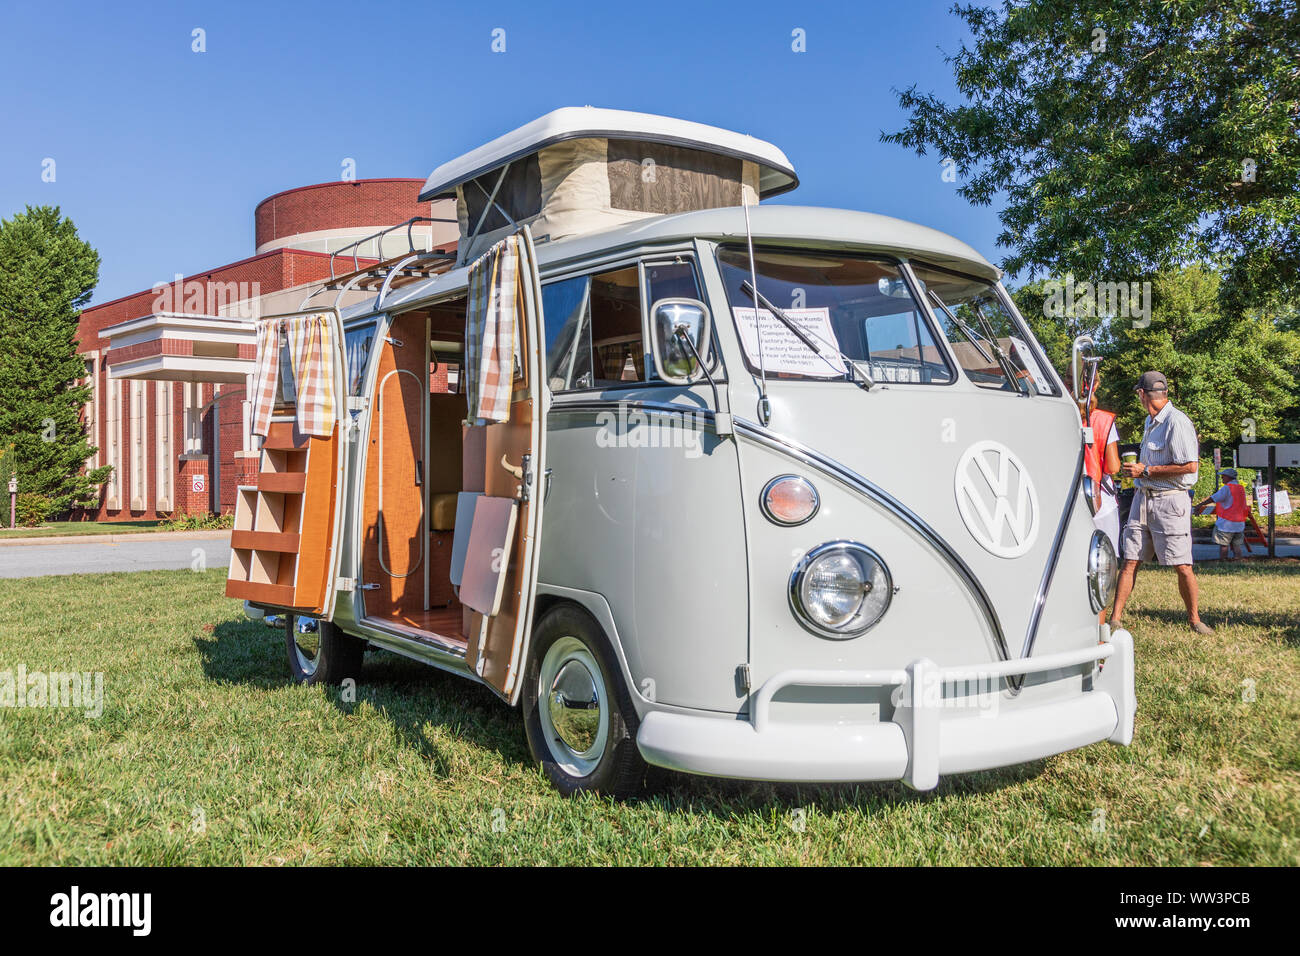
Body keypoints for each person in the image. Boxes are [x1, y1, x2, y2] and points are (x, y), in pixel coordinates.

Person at [1109, 371, 1214, 635]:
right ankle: (1115, 618)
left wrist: (1147, 471)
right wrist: (1136, 473)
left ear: (1142, 395)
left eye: (1139, 395)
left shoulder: (1177, 422)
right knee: (1131, 559)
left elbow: (1190, 466)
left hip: (1170, 501)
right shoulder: (1150, 421)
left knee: (1182, 564)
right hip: (1142, 498)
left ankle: (1194, 619)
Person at [1080, 369, 1122, 551]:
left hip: (1069, 498)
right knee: (1106, 555)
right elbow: (1113, 467)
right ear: (1095, 385)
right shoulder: (1103, 420)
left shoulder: (1059, 417)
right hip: (1100, 499)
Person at [1195, 468, 1249, 561]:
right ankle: (1238, 559)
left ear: (1228, 477)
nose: (1222, 478)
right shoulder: (1241, 488)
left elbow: (1214, 498)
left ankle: (1223, 560)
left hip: (1227, 523)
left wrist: (1200, 505)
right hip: (1240, 522)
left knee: (1224, 544)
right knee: (1237, 545)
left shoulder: (1227, 488)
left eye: (1223, 476)